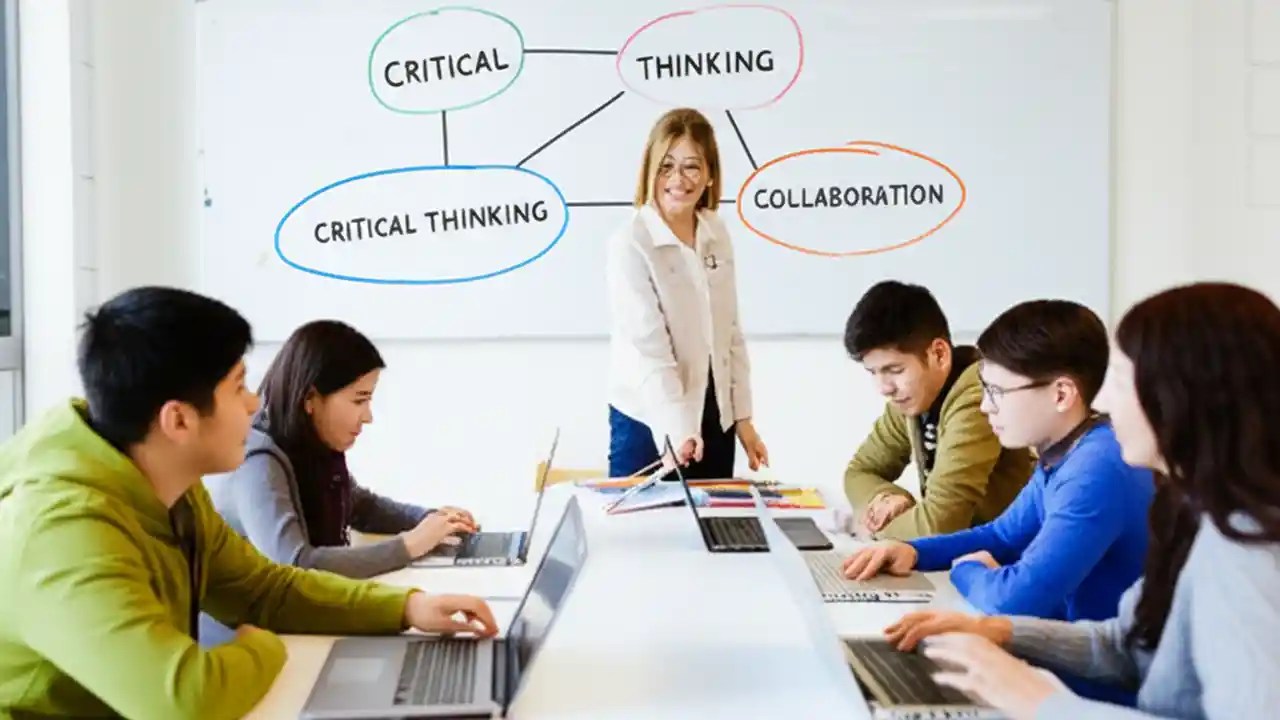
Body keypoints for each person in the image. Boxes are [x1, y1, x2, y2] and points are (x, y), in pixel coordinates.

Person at [0, 287, 497, 719]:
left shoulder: (172, 487)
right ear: (179, 421)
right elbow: (187, 701)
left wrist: (408, 607)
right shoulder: (59, 533)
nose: (255, 403)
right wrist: (263, 644)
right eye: (238, 386)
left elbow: (264, 590)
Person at [878, 282, 1280, 719]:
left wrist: (1039, 702)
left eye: (1122, 382)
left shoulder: (1241, 549)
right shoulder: (1190, 509)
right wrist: (998, 631)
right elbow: (1125, 644)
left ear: (1183, 398)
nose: (1104, 401)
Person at [842, 299, 1154, 704]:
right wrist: (912, 552)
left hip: (1092, 693)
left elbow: (1015, 598)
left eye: (997, 391)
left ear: (1061, 394)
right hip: (1060, 669)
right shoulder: (1067, 452)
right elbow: (1002, 535)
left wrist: (966, 568)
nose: (985, 405)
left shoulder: (1096, 467)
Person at [207, 319, 477, 582]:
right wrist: (409, 545)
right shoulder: (256, 461)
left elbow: (359, 506)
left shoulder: (309, 444)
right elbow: (295, 565)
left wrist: (430, 520)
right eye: (359, 400)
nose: (368, 416)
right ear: (310, 398)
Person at [605, 107, 768, 479]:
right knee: (644, 518)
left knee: (715, 516)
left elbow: (729, 333)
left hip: (714, 414)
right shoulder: (630, 242)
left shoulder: (715, 233)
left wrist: (743, 419)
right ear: (651, 171)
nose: (678, 179)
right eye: (666, 167)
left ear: (710, 175)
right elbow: (649, 349)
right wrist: (677, 429)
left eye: (692, 166)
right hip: (646, 418)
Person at [841, 280, 1034, 540]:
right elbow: (859, 471)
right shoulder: (911, 399)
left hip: (1010, 552)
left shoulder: (979, 396)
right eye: (873, 372)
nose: (884, 387)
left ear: (939, 354)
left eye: (895, 370)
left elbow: (939, 527)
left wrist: (872, 529)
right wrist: (888, 498)